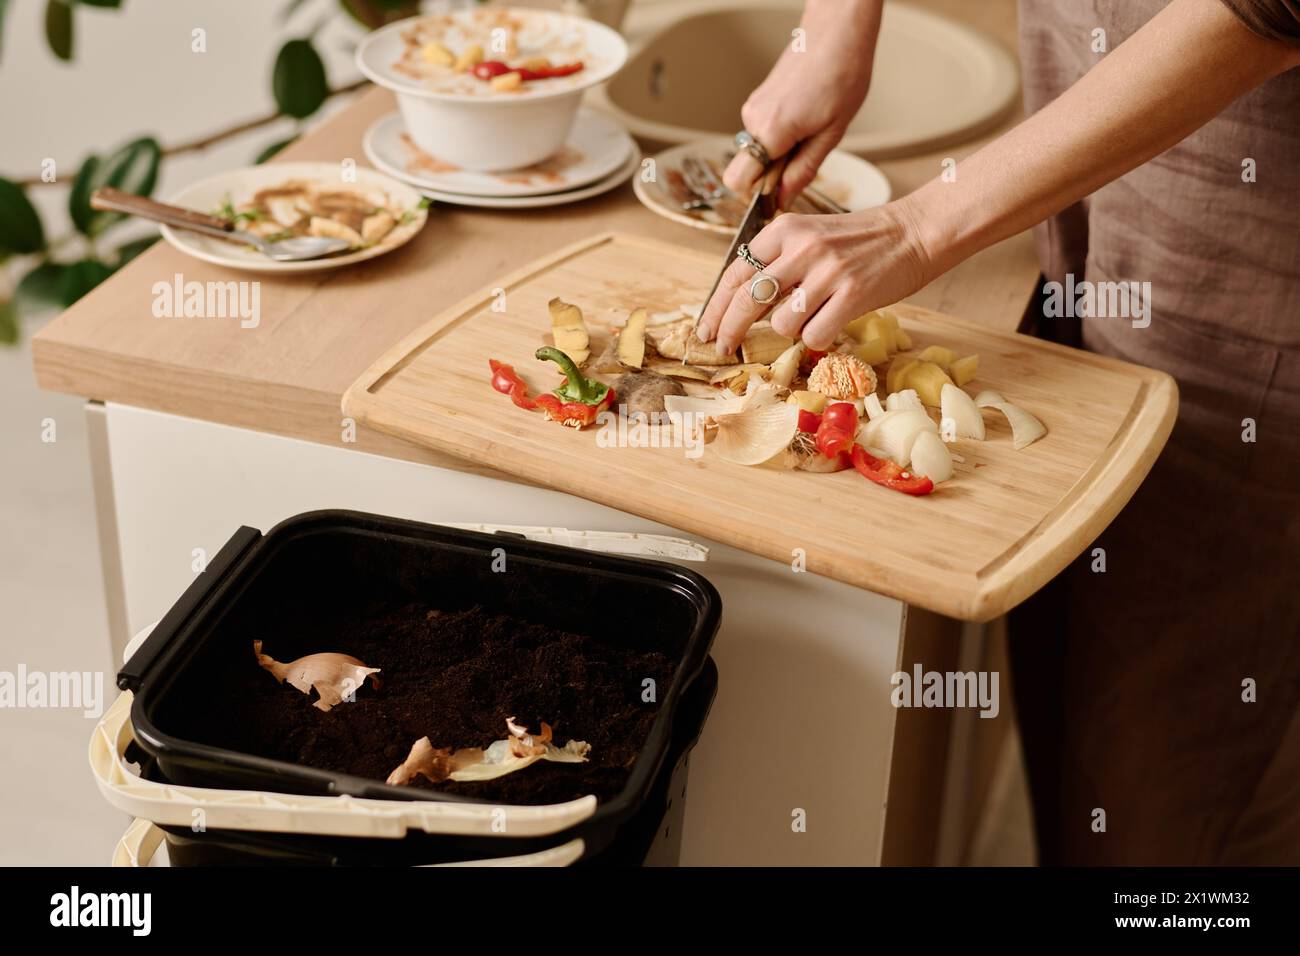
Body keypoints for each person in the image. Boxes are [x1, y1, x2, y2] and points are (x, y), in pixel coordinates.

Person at [699, 0, 1300, 865]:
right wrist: (833, 29)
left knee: (1168, 779)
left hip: (1253, 158)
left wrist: (914, 225)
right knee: (1074, 691)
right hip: (1085, 66)